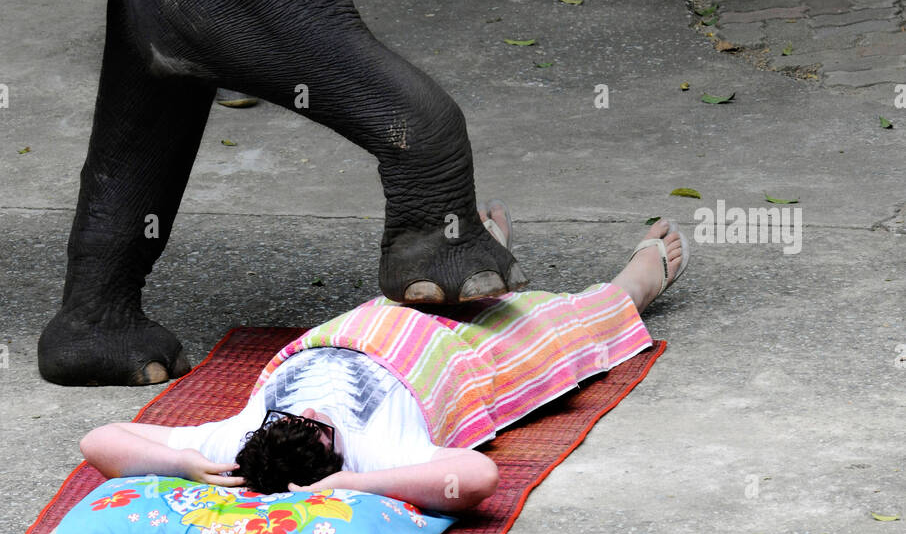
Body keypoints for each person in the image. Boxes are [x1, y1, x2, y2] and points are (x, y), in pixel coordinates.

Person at [80, 211, 688, 514]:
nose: (312, 410)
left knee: (428, 286)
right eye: (319, 425)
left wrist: (184, 462)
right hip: (451, 364)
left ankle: (475, 261)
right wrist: (355, 485)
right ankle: (630, 289)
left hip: (369, 327)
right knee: (551, 331)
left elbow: (99, 440)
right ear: (335, 457)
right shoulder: (374, 456)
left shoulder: (235, 443)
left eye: (294, 417)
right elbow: (478, 480)